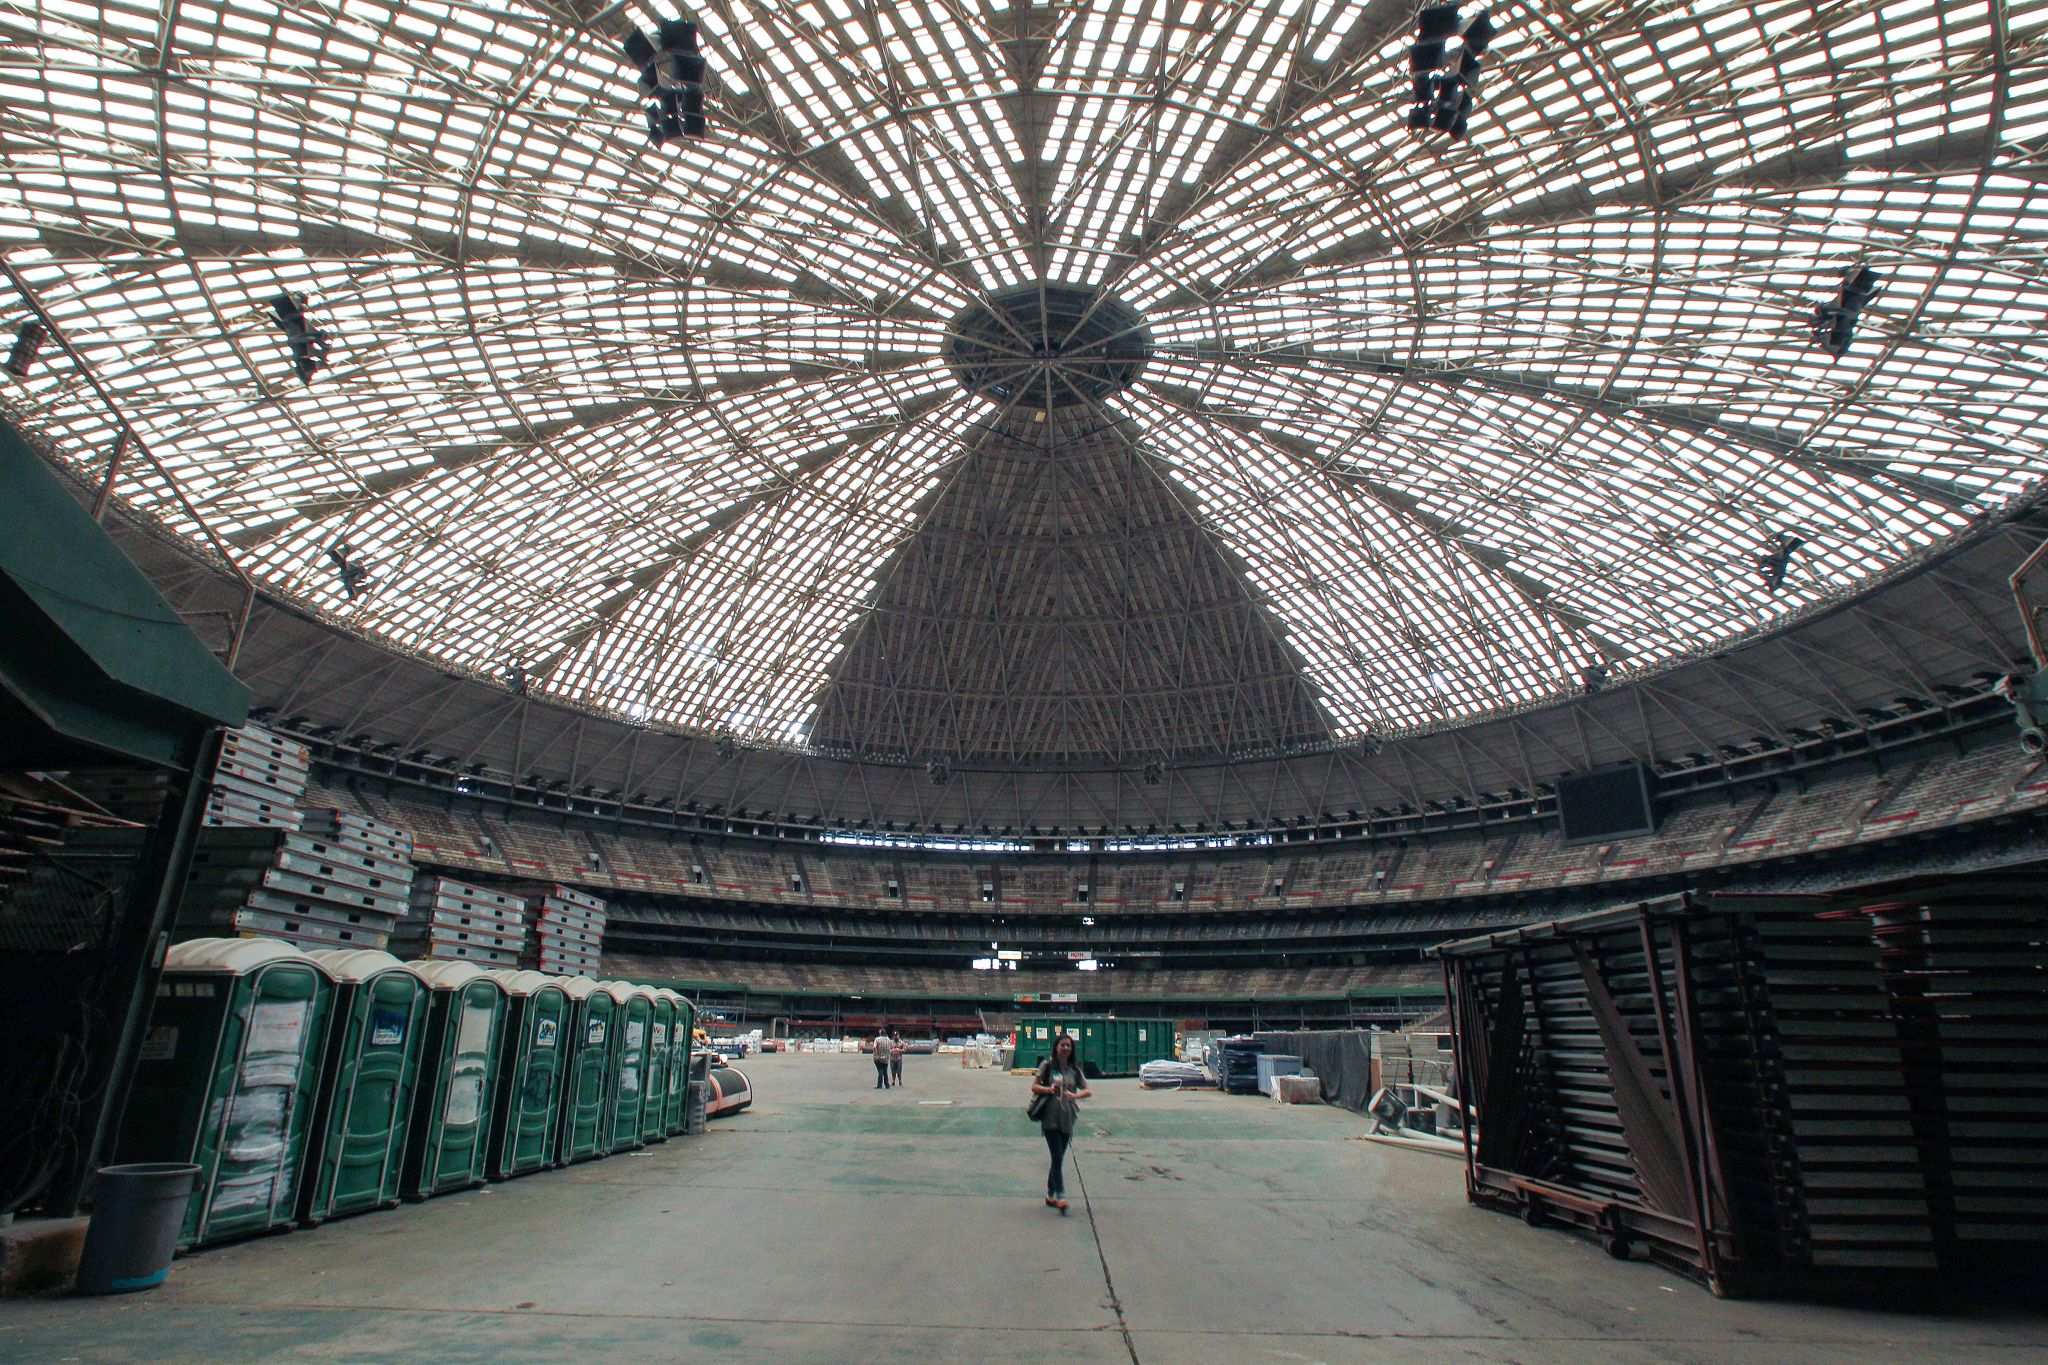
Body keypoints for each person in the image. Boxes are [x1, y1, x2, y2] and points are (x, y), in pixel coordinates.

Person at [1030, 1033, 1092, 1213]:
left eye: (1068, 1045)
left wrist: (1075, 1095)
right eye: (1062, 1045)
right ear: (1056, 1047)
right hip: (1050, 1115)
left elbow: (1088, 1090)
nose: (1065, 1048)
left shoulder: (1075, 1069)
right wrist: (1049, 1089)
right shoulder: (1047, 1066)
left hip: (1068, 1116)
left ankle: (1050, 1193)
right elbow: (1034, 1086)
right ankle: (1061, 1195)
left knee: (1059, 1157)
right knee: (1056, 1156)